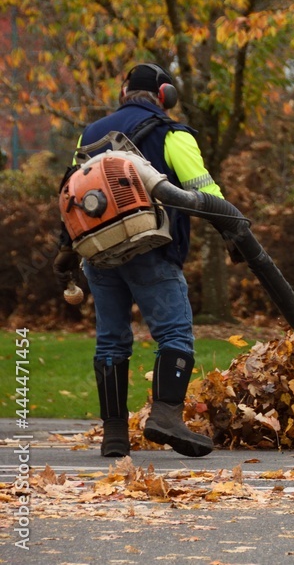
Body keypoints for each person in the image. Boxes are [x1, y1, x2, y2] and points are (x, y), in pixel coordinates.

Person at [54, 63, 224, 458]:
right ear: (165, 95)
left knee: (111, 339)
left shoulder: (91, 134)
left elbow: (73, 192)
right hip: (152, 249)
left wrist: (66, 249)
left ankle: (114, 435)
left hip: (98, 253)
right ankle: (166, 416)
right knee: (174, 334)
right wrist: (232, 229)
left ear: (123, 92)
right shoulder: (173, 134)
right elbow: (204, 190)